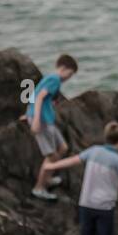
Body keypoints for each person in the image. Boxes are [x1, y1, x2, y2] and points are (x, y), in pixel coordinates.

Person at [26, 54, 78, 201]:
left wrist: (28, 113)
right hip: (41, 121)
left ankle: (47, 178)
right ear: (63, 68)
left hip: (47, 120)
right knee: (52, 156)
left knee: (63, 148)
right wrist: (35, 119)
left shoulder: (50, 78)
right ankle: (39, 188)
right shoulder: (55, 80)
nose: (70, 77)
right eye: (70, 74)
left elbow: (35, 94)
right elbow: (39, 97)